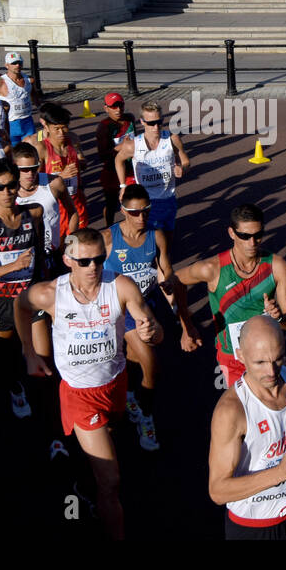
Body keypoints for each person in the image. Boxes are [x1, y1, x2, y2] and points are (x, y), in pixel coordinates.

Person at [13, 227, 164, 539]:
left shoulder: (120, 285)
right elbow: (21, 305)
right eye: (84, 261)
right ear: (68, 259)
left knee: (110, 435)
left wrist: (153, 332)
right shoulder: (52, 294)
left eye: (98, 259)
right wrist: (29, 352)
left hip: (116, 383)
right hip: (80, 395)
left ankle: (83, 482)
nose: (93, 267)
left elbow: (152, 328)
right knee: (112, 480)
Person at [207, 316, 286, 539]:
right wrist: (280, 473)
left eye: (277, 359)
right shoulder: (231, 412)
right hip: (254, 525)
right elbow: (218, 491)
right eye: (260, 363)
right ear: (240, 356)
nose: (272, 372)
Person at [100, 182, 197, 451]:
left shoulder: (157, 237)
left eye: (146, 211)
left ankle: (130, 394)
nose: (141, 217)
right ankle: (146, 416)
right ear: (122, 211)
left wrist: (181, 318)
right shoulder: (108, 239)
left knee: (135, 358)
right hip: (123, 310)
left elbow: (167, 275)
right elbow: (82, 264)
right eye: (134, 212)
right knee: (150, 363)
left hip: (150, 303)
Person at [175, 203, 286, 389]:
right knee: (240, 412)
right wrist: (187, 327)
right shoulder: (212, 269)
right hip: (232, 357)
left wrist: (278, 317)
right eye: (245, 236)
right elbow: (177, 281)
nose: (252, 242)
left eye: (258, 235)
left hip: (268, 358)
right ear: (232, 233)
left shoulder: (276, 266)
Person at [0, 158, 46, 419]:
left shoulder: (34, 212)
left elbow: (41, 250)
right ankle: (15, 389)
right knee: (9, 357)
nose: (6, 192)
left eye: (11, 185)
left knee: (42, 357)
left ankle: (46, 414)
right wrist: (12, 266)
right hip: (2, 301)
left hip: (31, 297)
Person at [114, 100, 190, 252]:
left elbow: (186, 160)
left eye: (159, 122)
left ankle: (164, 263)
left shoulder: (172, 139)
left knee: (168, 239)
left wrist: (182, 167)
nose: (155, 127)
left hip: (168, 198)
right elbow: (118, 160)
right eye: (151, 123)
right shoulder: (133, 144)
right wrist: (122, 186)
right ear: (142, 122)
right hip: (146, 202)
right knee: (149, 241)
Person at [13, 142, 79, 277]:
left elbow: (73, 213)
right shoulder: (7, 191)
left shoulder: (54, 183)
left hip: (53, 254)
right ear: (14, 167)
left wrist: (70, 245)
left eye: (34, 168)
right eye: (24, 169)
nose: (30, 173)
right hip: (22, 258)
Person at [31, 102, 88, 231]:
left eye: (64, 127)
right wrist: (61, 176)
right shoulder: (42, 148)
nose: (61, 132)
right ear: (47, 127)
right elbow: (33, 179)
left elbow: (81, 160)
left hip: (75, 201)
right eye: (56, 128)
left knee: (76, 244)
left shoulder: (73, 139)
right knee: (59, 247)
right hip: (55, 206)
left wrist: (82, 163)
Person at [95, 92, 136, 226]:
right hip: (112, 171)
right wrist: (120, 147)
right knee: (111, 203)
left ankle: (132, 229)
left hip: (130, 169)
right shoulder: (104, 127)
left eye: (120, 105)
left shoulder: (130, 118)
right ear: (106, 108)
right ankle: (109, 228)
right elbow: (102, 156)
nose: (118, 110)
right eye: (113, 107)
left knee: (132, 201)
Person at [0, 51, 41, 145]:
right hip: (11, 123)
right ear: (7, 65)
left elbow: (34, 95)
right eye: (14, 63)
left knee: (34, 146)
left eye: (19, 63)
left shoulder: (29, 80)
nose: (17, 65)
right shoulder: (0, 82)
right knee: (14, 152)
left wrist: (40, 109)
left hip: (28, 121)